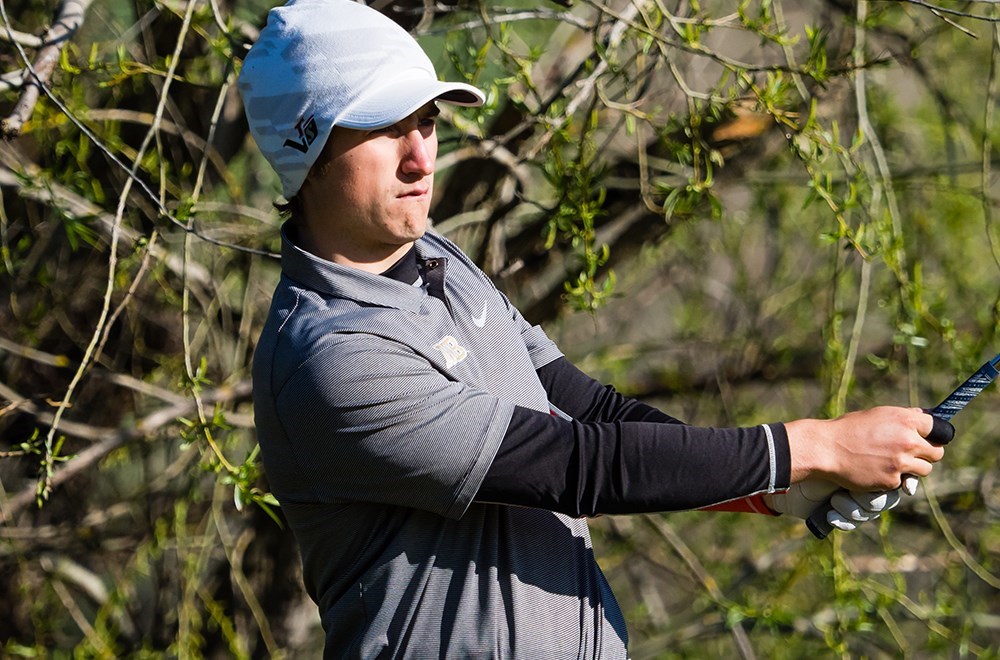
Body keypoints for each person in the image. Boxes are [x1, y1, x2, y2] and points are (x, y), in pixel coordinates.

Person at [237, 1, 953, 656]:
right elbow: (576, 467)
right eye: (387, 129)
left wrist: (766, 488)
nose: (422, 157)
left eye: (425, 122)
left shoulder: (438, 259)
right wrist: (815, 445)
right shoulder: (331, 358)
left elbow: (588, 410)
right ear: (308, 149)